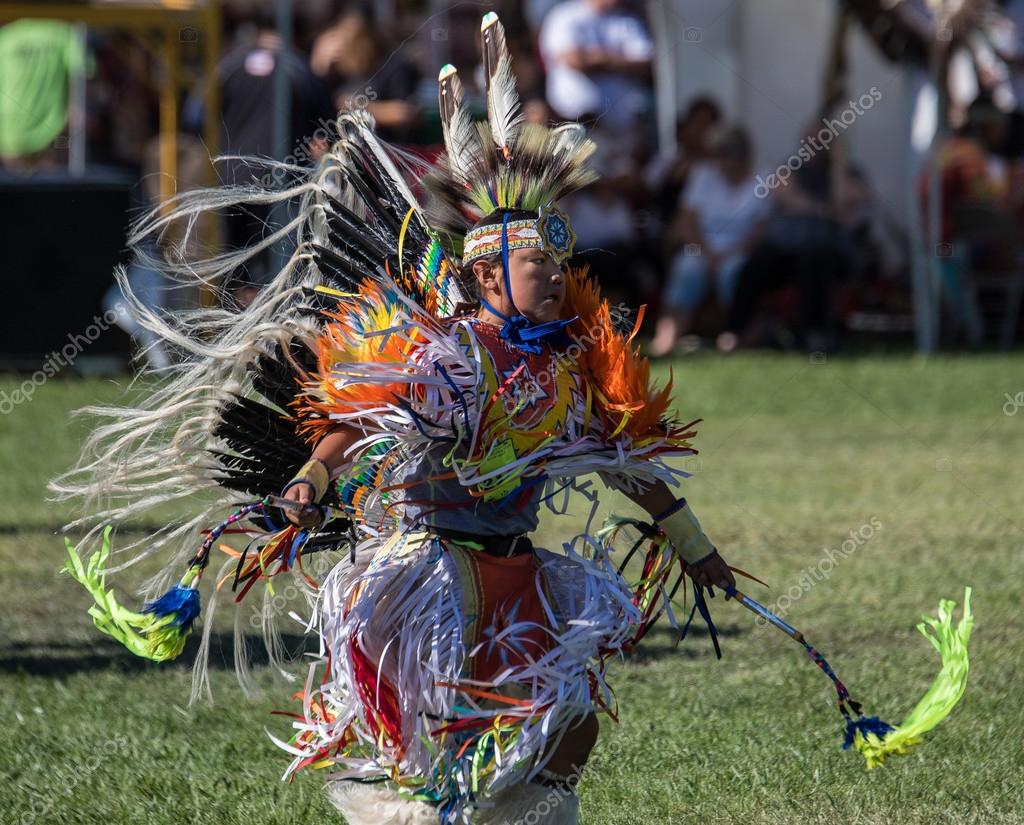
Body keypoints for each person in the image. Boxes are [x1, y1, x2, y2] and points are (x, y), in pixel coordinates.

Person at [53, 14, 736, 825]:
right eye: (535, 265)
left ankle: (523, 805)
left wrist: (695, 548)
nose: (556, 278)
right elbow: (363, 416)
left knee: (573, 707)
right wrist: (312, 474)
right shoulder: (450, 358)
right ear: (486, 275)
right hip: (433, 576)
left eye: (560, 263)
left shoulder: (569, 365)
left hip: (518, 569)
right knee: (441, 731)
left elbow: (626, 459)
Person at [649, 126, 770, 357]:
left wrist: (729, 253)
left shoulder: (763, 178)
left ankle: (735, 333)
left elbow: (761, 228)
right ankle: (667, 335)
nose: (723, 163)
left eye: (728, 156)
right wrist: (707, 252)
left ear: (743, 156)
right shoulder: (703, 175)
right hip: (701, 247)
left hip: (742, 249)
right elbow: (687, 221)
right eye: (720, 156)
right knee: (687, 269)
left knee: (733, 271)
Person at [538, 0, 653, 137]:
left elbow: (646, 64)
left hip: (622, 129)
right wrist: (619, 60)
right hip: (574, 125)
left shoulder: (628, 20)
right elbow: (575, 61)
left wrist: (599, 59)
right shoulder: (564, 16)